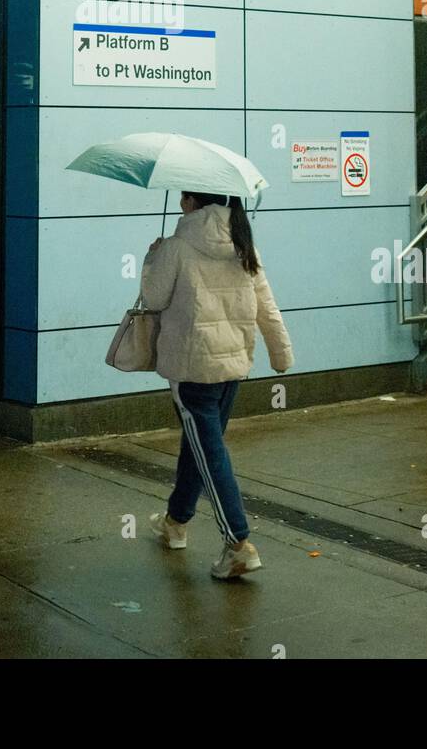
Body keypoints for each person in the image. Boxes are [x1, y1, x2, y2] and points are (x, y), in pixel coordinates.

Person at [140, 190, 293, 580]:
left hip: (193, 371)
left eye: (182, 197)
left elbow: (153, 299)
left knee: (210, 454)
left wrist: (151, 258)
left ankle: (238, 543)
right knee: (201, 446)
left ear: (193, 202)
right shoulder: (242, 244)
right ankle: (175, 521)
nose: (178, 204)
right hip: (232, 368)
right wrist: (281, 355)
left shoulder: (176, 246)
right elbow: (266, 304)